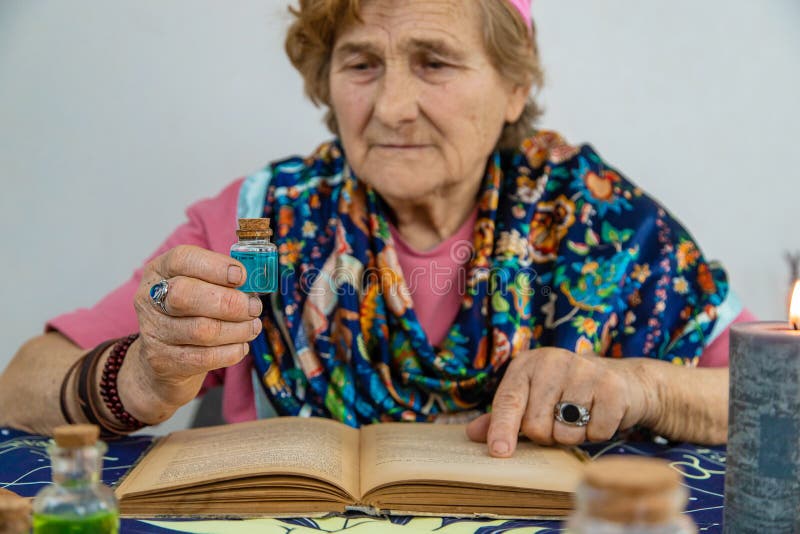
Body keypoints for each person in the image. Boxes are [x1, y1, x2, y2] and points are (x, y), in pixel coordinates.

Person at [0, 0, 753, 456]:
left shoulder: (604, 220)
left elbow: (776, 396)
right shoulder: (261, 221)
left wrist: (642, 386)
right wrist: (133, 375)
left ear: (515, 83)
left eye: (433, 62)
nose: (391, 106)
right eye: (361, 63)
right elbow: (21, 387)